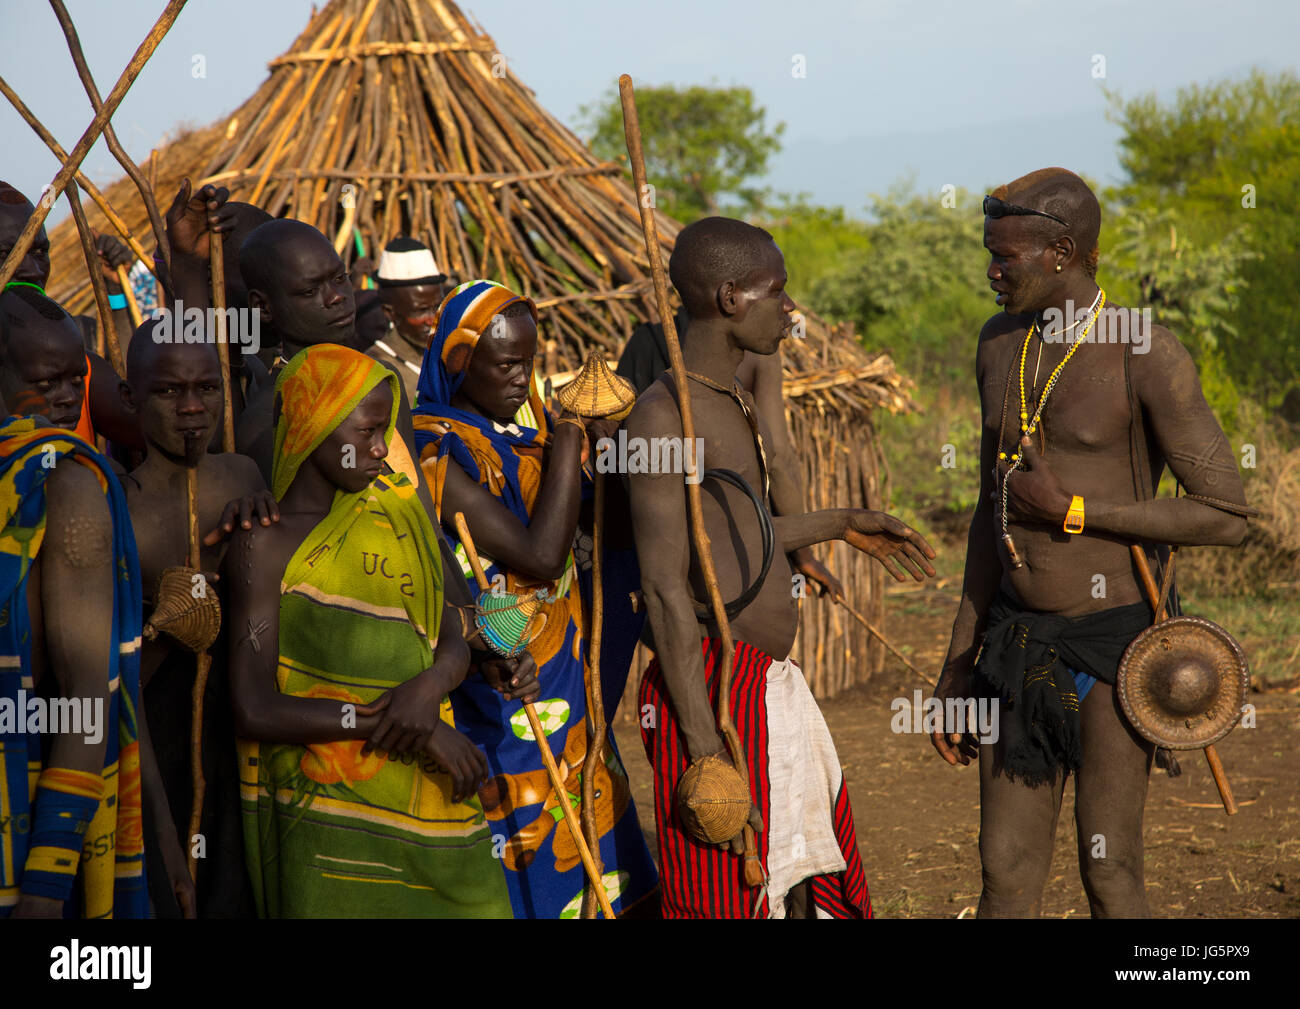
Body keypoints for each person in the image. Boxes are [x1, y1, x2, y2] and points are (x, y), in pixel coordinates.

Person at [930, 168, 1252, 918]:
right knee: (1004, 878)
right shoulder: (998, 343)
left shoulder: (1144, 351)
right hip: (1017, 642)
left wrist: (1074, 508)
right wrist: (958, 664)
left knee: (1110, 874)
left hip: (1116, 647)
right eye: (989, 252)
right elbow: (990, 511)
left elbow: (1225, 514)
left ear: (1063, 251)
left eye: (1005, 257)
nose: (991, 271)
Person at [625, 216, 937, 918]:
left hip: (762, 684)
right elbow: (665, 588)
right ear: (732, 296)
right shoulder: (661, 417)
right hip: (710, 685)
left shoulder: (727, 396)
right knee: (725, 894)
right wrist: (706, 749)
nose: (791, 309)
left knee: (793, 884)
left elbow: (739, 535)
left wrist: (842, 522)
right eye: (779, 292)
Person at [226, 342, 511, 917]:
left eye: (385, 431)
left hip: (433, 801)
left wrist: (431, 688)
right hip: (328, 821)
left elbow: (449, 629)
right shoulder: (264, 543)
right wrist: (408, 725)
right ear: (313, 426)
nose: (383, 450)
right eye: (366, 433)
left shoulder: (398, 510)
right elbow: (254, 708)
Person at [412, 280, 659, 918]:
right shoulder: (436, 449)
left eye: (529, 359)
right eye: (505, 364)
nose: (522, 377)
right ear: (461, 362)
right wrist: (571, 441)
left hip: (565, 668)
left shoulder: (520, 438)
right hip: (499, 667)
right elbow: (541, 556)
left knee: (587, 787)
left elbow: (596, 533)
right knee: (524, 810)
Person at [120, 327, 269, 916]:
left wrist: (259, 534)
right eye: (169, 392)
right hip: (162, 746)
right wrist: (161, 831)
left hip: (242, 736)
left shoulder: (243, 478)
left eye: (207, 388)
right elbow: (120, 683)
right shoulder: (117, 504)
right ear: (130, 398)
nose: (191, 408)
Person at [0, 410, 151, 917]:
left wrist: (45, 887)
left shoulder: (60, 484)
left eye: (71, 380)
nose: (61, 398)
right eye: (46, 381)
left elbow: (87, 699)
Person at [618, 308, 843, 600]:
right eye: (772, 291)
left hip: (657, 546)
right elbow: (779, 461)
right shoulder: (756, 352)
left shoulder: (644, 342)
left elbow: (620, 442)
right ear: (731, 294)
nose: (785, 304)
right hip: (737, 550)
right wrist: (804, 556)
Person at [0, 182, 142, 450]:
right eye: (4, 254)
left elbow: (153, 430)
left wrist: (116, 295)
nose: (30, 270)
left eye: (39, 252)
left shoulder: (71, 364)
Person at [367, 236, 454, 405]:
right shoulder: (376, 372)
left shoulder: (451, 356)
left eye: (437, 307)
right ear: (389, 312)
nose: (432, 320)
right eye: (421, 311)